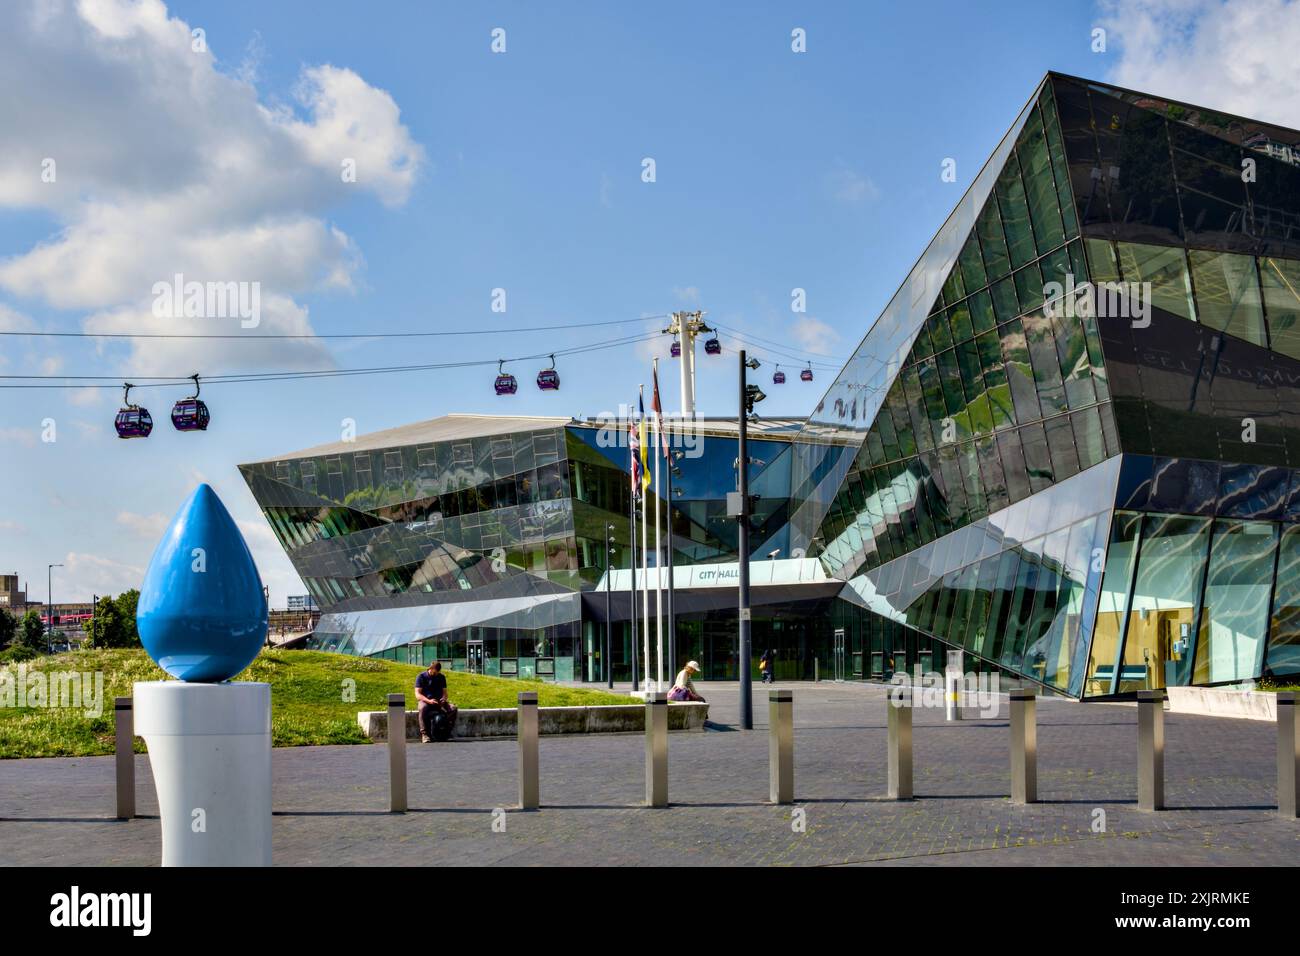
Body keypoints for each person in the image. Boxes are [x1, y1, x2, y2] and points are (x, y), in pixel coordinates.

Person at [414, 662, 458, 742]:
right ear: (430, 669)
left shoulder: (441, 677)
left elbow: (445, 693)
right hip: (426, 700)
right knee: (422, 708)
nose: (435, 674)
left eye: (437, 673)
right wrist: (429, 701)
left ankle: (447, 732)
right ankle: (425, 734)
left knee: (453, 708)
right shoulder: (421, 677)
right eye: (434, 672)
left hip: (439, 701)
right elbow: (417, 694)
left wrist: (444, 698)